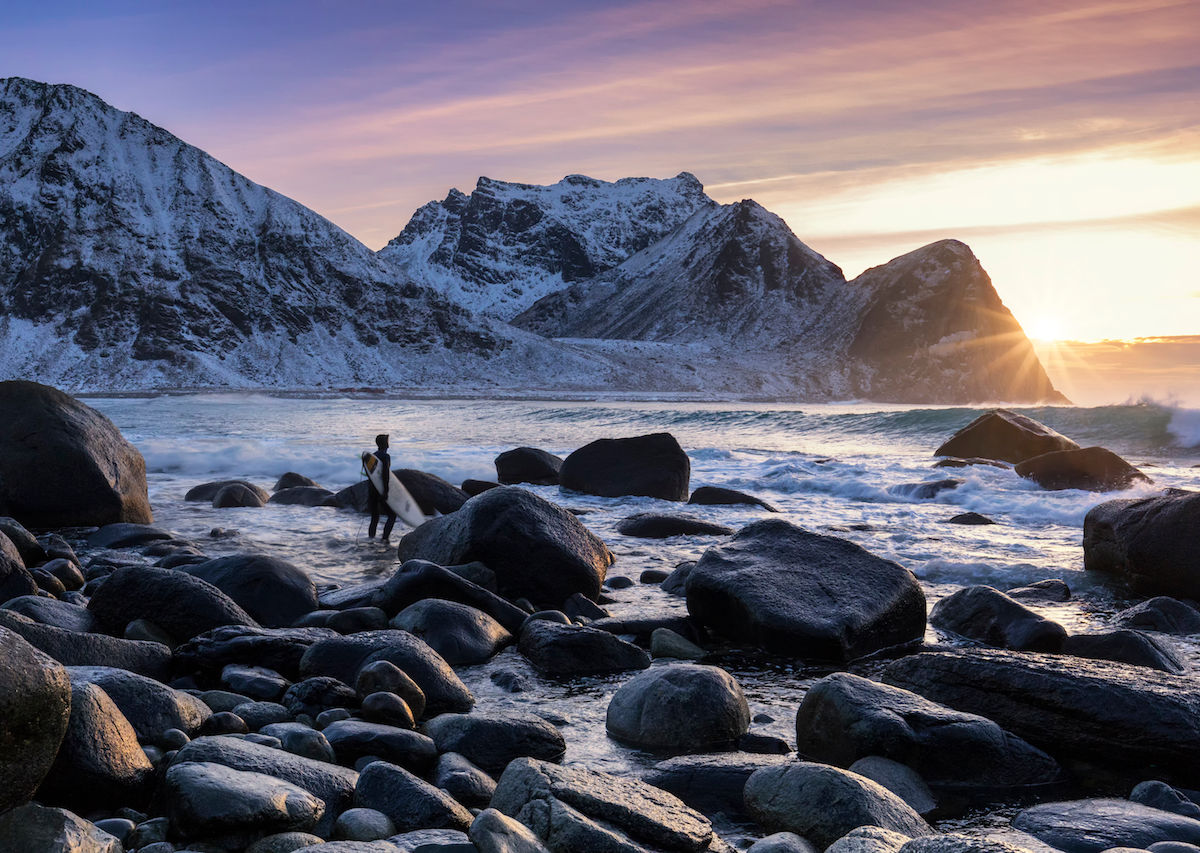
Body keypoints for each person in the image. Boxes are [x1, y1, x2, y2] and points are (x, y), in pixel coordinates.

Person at [366, 433, 397, 543]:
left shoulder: (372, 456)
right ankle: (385, 539)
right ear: (386, 444)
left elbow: (370, 476)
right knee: (392, 515)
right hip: (380, 490)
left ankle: (371, 540)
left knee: (374, 517)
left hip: (371, 490)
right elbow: (385, 475)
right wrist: (386, 491)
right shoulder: (385, 457)